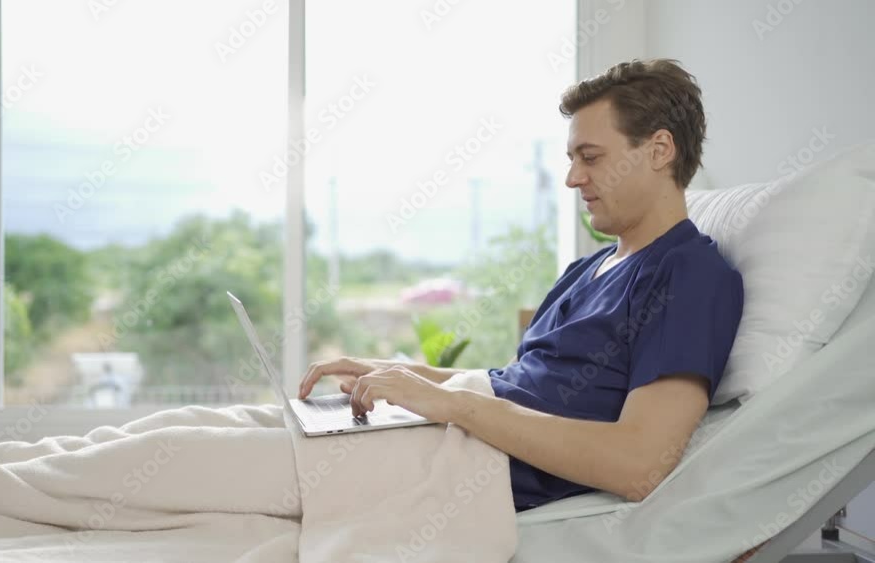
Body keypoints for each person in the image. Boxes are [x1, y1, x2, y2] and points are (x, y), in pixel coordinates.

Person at [297, 58, 745, 513]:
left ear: (659, 150)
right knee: (259, 426)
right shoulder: (586, 270)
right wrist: (395, 376)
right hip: (449, 436)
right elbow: (510, 385)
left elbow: (639, 464)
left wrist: (453, 405)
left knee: (229, 461)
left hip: (467, 463)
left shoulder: (688, 275)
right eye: (572, 160)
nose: (573, 178)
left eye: (590, 158)